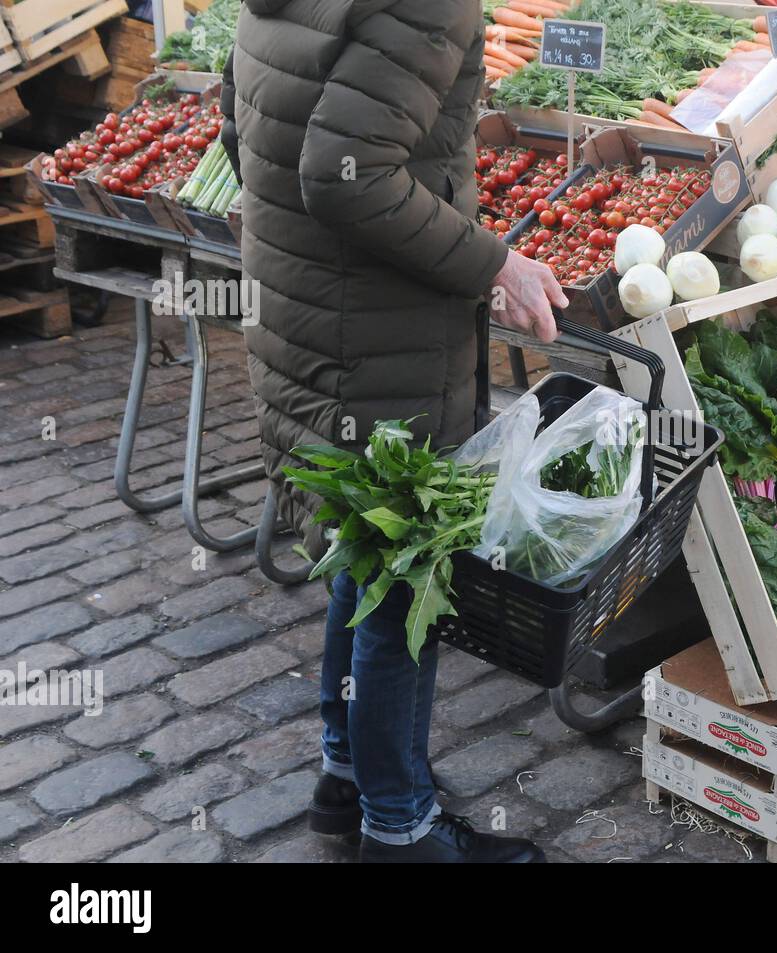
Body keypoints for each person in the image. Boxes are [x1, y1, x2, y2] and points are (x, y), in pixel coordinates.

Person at [220, 0, 566, 862]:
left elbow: (238, 123)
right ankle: (401, 828)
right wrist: (496, 264)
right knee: (404, 572)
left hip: (304, 310)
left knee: (365, 548)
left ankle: (350, 774)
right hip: (376, 335)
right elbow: (346, 174)